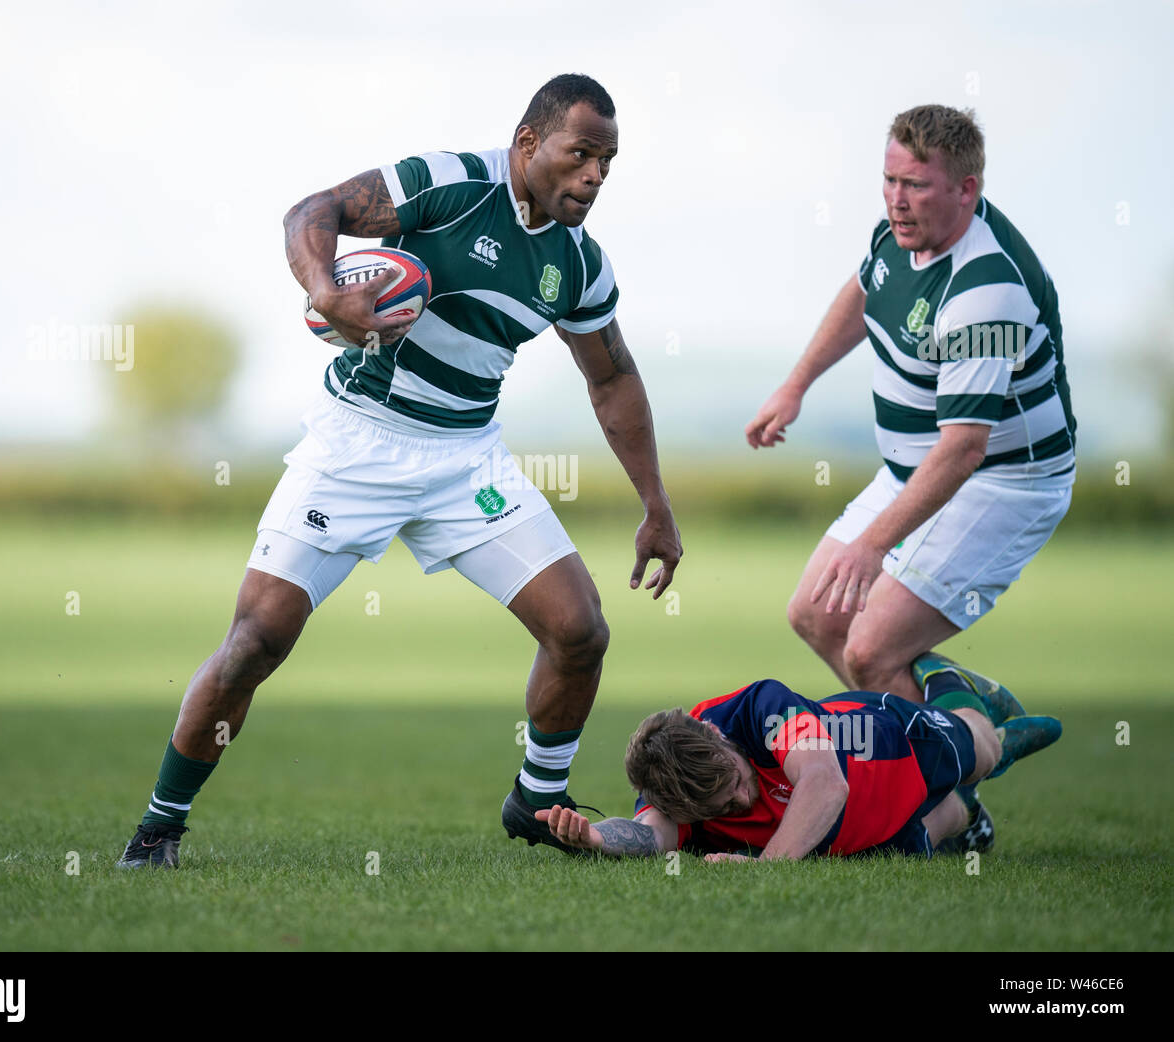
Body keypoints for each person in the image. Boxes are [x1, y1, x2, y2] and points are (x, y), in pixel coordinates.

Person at [117, 73, 683, 868]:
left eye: (608, 162)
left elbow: (612, 377)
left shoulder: (579, 263)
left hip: (465, 458)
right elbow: (310, 212)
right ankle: (158, 828)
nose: (595, 175)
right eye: (581, 153)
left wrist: (654, 503)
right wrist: (325, 290)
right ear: (528, 144)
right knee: (256, 641)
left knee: (580, 629)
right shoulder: (448, 185)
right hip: (356, 444)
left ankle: (534, 799)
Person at [744, 104, 1076, 706]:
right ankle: (959, 710)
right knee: (816, 615)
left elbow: (964, 449)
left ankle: (955, 786)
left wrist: (872, 546)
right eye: (890, 180)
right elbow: (863, 289)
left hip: (1003, 483)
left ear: (966, 189)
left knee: (871, 650)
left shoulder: (985, 290)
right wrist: (797, 385)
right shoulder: (898, 233)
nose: (897, 199)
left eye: (916, 185)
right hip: (911, 470)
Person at [535, 674, 1061, 860]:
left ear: (718, 739)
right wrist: (595, 838)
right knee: (941, 823)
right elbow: (648, 834)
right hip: (868, 831)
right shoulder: (677, 787)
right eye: (722, 807)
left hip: (896, 745)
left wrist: (768, 868)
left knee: (982, 750)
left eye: (737, 782)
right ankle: (967, 812)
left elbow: (824, 782)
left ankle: (949, 681)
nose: (742, 802)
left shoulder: (759, 707)